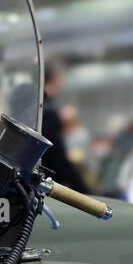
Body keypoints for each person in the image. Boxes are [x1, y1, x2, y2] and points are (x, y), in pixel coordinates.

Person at [39, 58, 90, 192]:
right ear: (54, 78)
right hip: (47, 184)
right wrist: (85, 191)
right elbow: (58, 159)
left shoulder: (37, 107)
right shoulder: (48, 113)